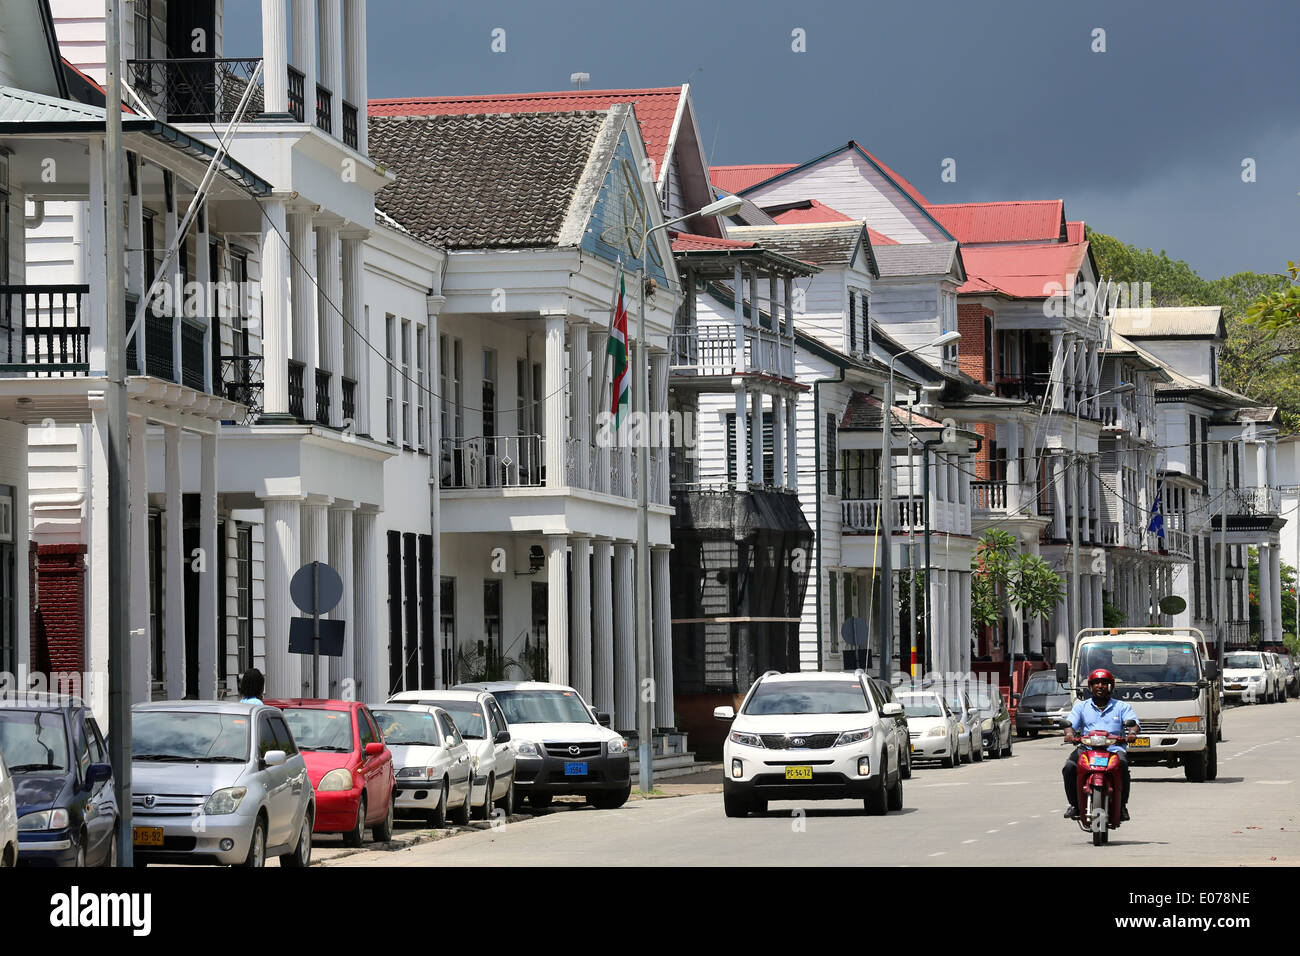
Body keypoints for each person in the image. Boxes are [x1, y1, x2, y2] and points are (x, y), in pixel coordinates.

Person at [1062, 668, 1138, 821]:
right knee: (1069, 767)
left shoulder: (1122, 707)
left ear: (1111, 686)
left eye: (1104, 683)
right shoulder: (1081, 706)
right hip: (1087, 749)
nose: (1100, 686)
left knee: (1122, 766)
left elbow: (1133, 723)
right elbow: (1070, 723)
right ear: (1090, 687)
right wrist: (1069, 734)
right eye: (1096, 683)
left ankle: (1122, 805)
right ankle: (1074, 805)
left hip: (1113, 749)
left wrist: (1132, 733)